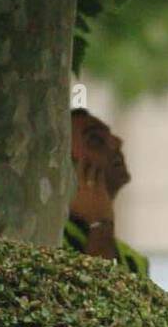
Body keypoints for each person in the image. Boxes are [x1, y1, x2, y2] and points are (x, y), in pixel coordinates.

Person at [63, 108, 148, 276]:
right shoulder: (49, 237)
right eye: (95, 139)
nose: (117, 143)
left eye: (111, 137)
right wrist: (100, 225)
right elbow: (93, 298)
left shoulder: (133, 260)